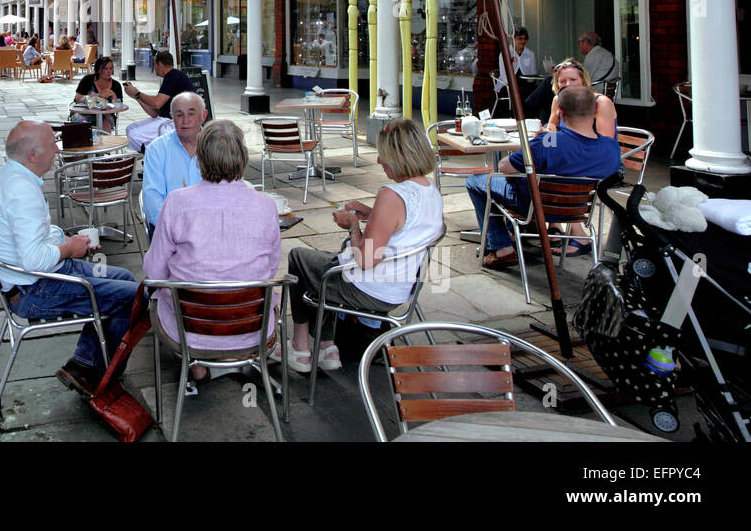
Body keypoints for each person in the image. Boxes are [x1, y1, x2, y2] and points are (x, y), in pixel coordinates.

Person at [0, 120, 140, 398]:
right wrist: (68, 249)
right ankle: (94, 373)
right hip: (36, 289)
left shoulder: (8, 177)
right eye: (52, 144)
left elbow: (33, 238)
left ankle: (85, 363)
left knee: (124, 278)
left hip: (31, 277)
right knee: (136, 297)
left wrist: (64, 240)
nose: (57, 150)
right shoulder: (22, 192)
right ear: (32, 155)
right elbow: (33, 260)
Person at [287, 118, 445, 373]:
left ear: (398, 157)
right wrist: (371, 214)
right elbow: (407, 227)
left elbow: (365, 260)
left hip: (371, 290)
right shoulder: (431, 191)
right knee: (327, 263)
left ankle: (302, 347)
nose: (380, 161)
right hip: (401, 288)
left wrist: (352, 225)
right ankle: (327, 347)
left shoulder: (392, 195)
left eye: (384, 155)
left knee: (299, 259)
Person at [144, 120, 280, 388]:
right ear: (242, 158)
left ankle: (196, 365)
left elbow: (154, 271)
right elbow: (271, 265)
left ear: (201, 159)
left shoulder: (177, 202)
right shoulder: (266, 206)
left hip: (189, 332)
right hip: (253, 329)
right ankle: (230, 358)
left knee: (157, 296)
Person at [467, 85, 621, 269]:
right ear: (595, 111)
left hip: (534, 208)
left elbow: (504, 167)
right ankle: (508, 234)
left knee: (477, 181)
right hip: (578, 211)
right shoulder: (610, 148)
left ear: (560, 112)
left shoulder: (550, 141)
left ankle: (501, 248)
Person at [141, 91, 207, 240]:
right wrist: (183, 232)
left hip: (210, 230)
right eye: (179, 114)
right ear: (172, 117)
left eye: (191, 113)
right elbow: (153, 204)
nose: (185, 120)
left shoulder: (216, 147)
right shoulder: (157, 149)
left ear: (203, 116)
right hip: (169, 232)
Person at [122, 51, 197, 151]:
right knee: (130, 129)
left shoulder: (173, 76)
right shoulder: (170, 77)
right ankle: (155, 153)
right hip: (166, 120)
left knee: (134, 134)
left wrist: (137, 93)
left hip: (174, 123)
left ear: (160, 64)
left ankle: (156, 155)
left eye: (155, 64)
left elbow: (157, 103)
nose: (154, 67)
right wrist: (137, 97)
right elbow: (154, 113)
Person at [73, 56, 124, 132]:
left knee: (107, 122)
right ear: (98, 70)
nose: (109, 71)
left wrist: (114, 96)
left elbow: (119, 106)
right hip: (85, 113)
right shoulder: (88, 80)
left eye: (111, 68)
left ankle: (105, 142)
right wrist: (98, 95)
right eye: (105, 68)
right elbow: (78, 99)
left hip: (107, 115)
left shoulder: (116, 85)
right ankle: (84, 142)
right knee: (80, 121)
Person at [495, 27, 536, 110]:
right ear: (513, 39)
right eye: (520, 38)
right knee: (520, 93)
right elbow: (504, 75)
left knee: (537, 92)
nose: (523, 41)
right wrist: (513, 85)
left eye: (525, 38)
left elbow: (533, 75)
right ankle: (522, 116)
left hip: (525, 84)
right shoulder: (505, 53)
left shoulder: (530, 54)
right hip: (508, 84)